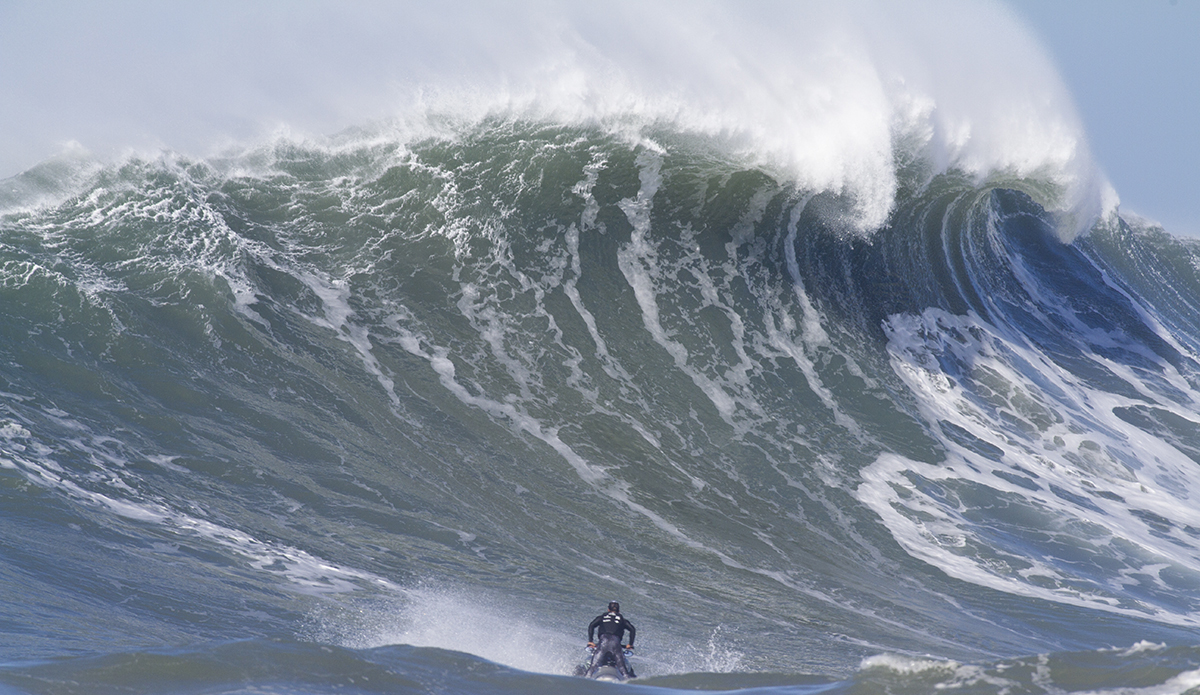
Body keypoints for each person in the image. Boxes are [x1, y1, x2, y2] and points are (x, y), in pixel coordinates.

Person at [586, 600, 636, 679]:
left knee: (592, 667)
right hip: (615, 643)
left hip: (603, 642)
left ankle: (585, 681)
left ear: (608, 610)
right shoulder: (622, 620)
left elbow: (591, 625)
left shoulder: (602, 617)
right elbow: (632, 629)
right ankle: (628, 683)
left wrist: (590, 641)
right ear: (619, 611)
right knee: (623, 669)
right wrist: (630, 644)